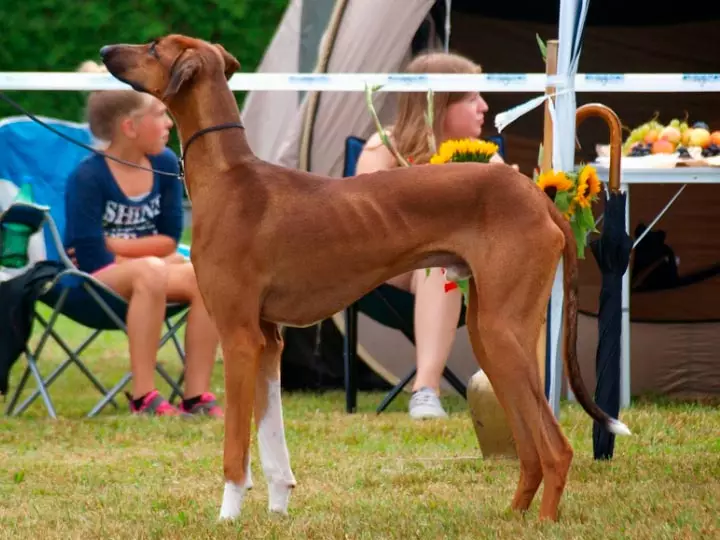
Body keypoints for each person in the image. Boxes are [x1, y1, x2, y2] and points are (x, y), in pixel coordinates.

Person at [355, 50, 509, 420]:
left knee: (443, 266)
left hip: (456, 271)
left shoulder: (481, 157)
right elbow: (362, 223)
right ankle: (426, 390)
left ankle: (433, 388)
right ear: (439, 104)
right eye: (472, 98)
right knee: (438, 263)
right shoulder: (384, 148)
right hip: (383, 271)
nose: (484, 107)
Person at [63, 61, 222, 417]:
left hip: (141, 269)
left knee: (206, 276)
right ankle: (144, 396)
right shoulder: (87, 177)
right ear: (130, 126)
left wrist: (117, 247)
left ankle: (196, 396)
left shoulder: (165, 163)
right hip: (92, 283)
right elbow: (90, 257)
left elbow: (167, 239)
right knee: (151, 269)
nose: (170, 123)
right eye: (161, 114)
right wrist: (143, 259)